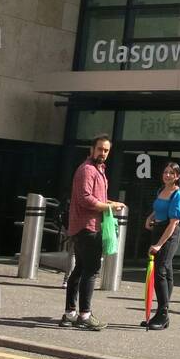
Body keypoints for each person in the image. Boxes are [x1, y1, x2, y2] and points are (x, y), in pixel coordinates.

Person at [61, 137, 123, 332]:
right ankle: (84, 315)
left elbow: (96, 197)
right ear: (91, 149)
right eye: (100, 149)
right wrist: (109, 206)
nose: (103, 153)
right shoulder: (87, 170)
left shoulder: (98, 170)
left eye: (106, 150)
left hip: (84, 227)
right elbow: (86, 198)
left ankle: (70, 314)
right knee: (91, 270)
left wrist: (109, 203)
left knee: (79, 269)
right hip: (88, 227)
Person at [142, 160, 180, 331]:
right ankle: (162, 314)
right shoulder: (162, 190)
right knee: (165, 271)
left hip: (169, 234)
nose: (167, 175)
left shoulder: (179, 194)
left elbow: (174, 222)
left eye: (171, 173)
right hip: (158, 228)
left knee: (160, 271)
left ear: (177, 176)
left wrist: (159, 245)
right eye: (165, 172)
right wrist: (150, 217)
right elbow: (159, 208)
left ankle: (163, 313)